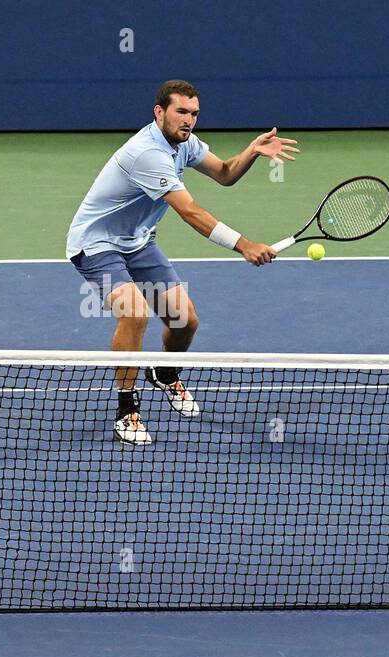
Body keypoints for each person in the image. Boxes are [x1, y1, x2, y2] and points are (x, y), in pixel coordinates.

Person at [66, 79, 298, 444]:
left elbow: (224, 173)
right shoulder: (147, 152)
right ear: (160, 112)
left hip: (137, 241)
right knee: (135, 313)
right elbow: (190, 211)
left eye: (194, 114)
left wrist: (251, 151)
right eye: (181, 112)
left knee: (184, 320)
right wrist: (245, 245)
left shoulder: (185, 144)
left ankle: (164, 371)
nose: (188, 120)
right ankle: (127, 409)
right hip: (96, 244)